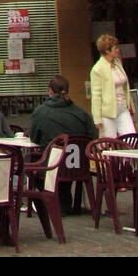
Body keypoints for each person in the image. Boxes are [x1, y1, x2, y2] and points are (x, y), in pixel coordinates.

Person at [28, 74, 97, 214]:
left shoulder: (41, 112)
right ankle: (63, 202)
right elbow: (93, 137)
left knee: (28, 161)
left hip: (52, 164)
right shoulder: (81, 113)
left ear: (50, 91)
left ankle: (47, 199)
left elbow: (34, 138)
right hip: (77, 164)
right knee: (63, 164)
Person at [90, 34, 137, 138]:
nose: (118, 50)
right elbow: (96, 95)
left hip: (123, 108)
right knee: (110, 142)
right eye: (115, 48)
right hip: (107, 112)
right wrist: (97, 119)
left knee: (131, 138)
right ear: (107, 51)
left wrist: (130, 106)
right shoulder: (97, 69)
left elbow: (124, 87)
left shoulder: (117, 62)